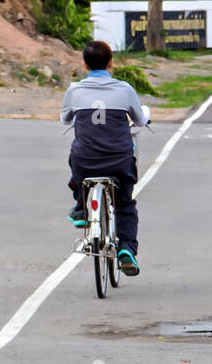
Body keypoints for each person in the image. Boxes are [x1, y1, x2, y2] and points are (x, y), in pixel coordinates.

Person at [60, 40, 150, 277]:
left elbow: (65, 120)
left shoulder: (75, 90)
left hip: (85, 162)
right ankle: (127, 249)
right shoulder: (124, 89)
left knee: (76, 159)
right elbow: (140, 120)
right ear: (111, 63)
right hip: (119, 160)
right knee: (124, 204)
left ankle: (81, 206)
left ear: (84, 64)